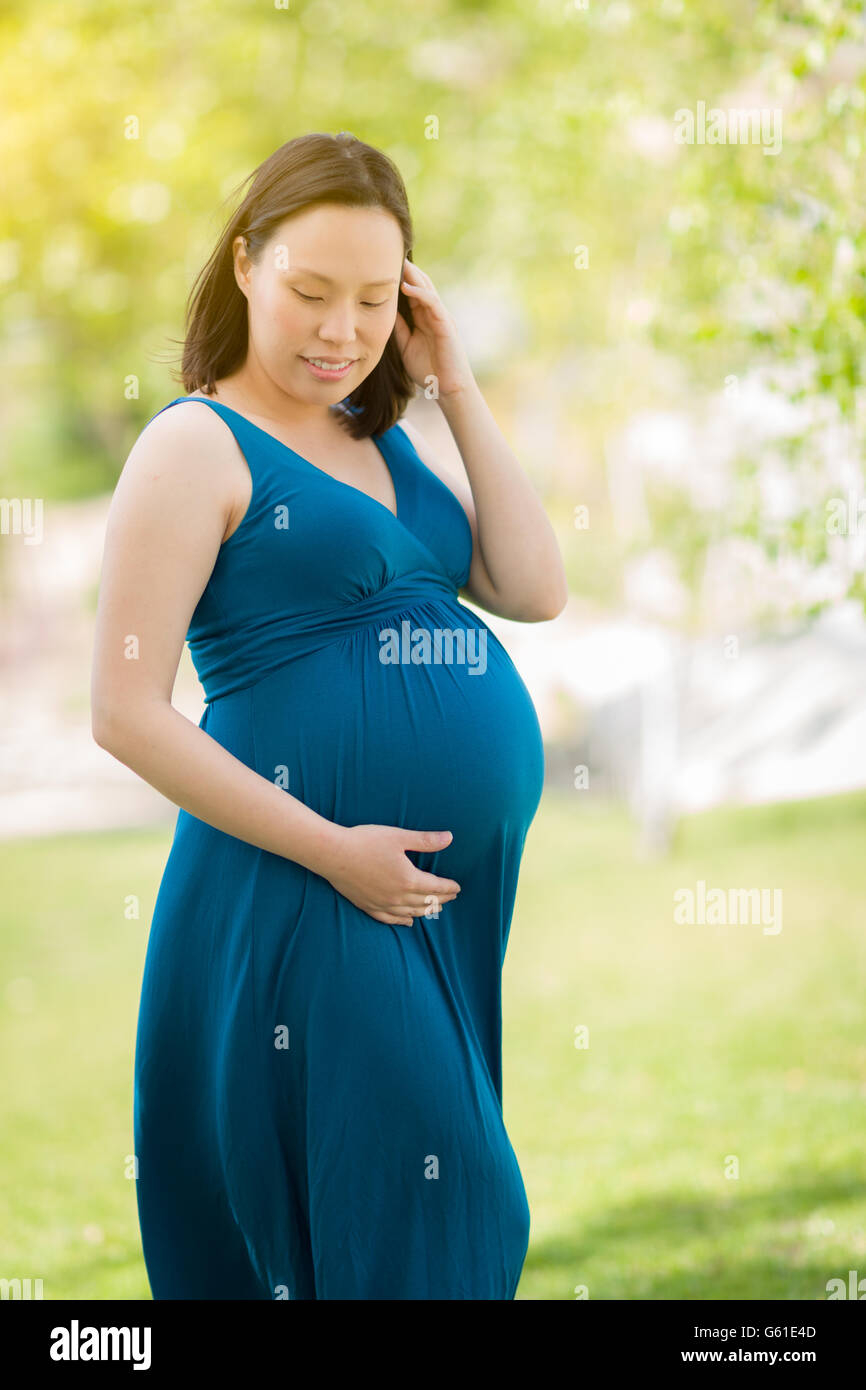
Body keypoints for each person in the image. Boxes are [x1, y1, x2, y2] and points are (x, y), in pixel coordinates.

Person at [91, 131, 568, 1300]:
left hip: (419, 905)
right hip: (307, 889)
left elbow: (534, 585)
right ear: (245, 265)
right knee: (434, 1205)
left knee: (420, 1212)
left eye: (370, 300)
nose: (338, 331)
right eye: (309, 291)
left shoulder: (379, 439)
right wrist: (333, 852)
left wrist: (452, 382)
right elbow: (123, 711)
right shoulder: (193, 444)